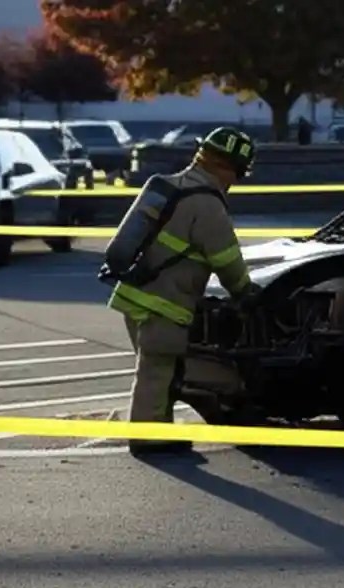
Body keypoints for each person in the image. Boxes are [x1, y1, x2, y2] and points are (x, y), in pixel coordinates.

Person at [107, 127, 261, 455]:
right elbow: (227, 258)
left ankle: (159, 429)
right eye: (237, 173)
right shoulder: (208, 205)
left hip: (135, 293)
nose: (235, 181)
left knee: (160, 370)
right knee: (157, 369)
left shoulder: (173, 186)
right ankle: (148, 437)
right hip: (165, 303)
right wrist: (245, 292)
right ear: (227, 168)